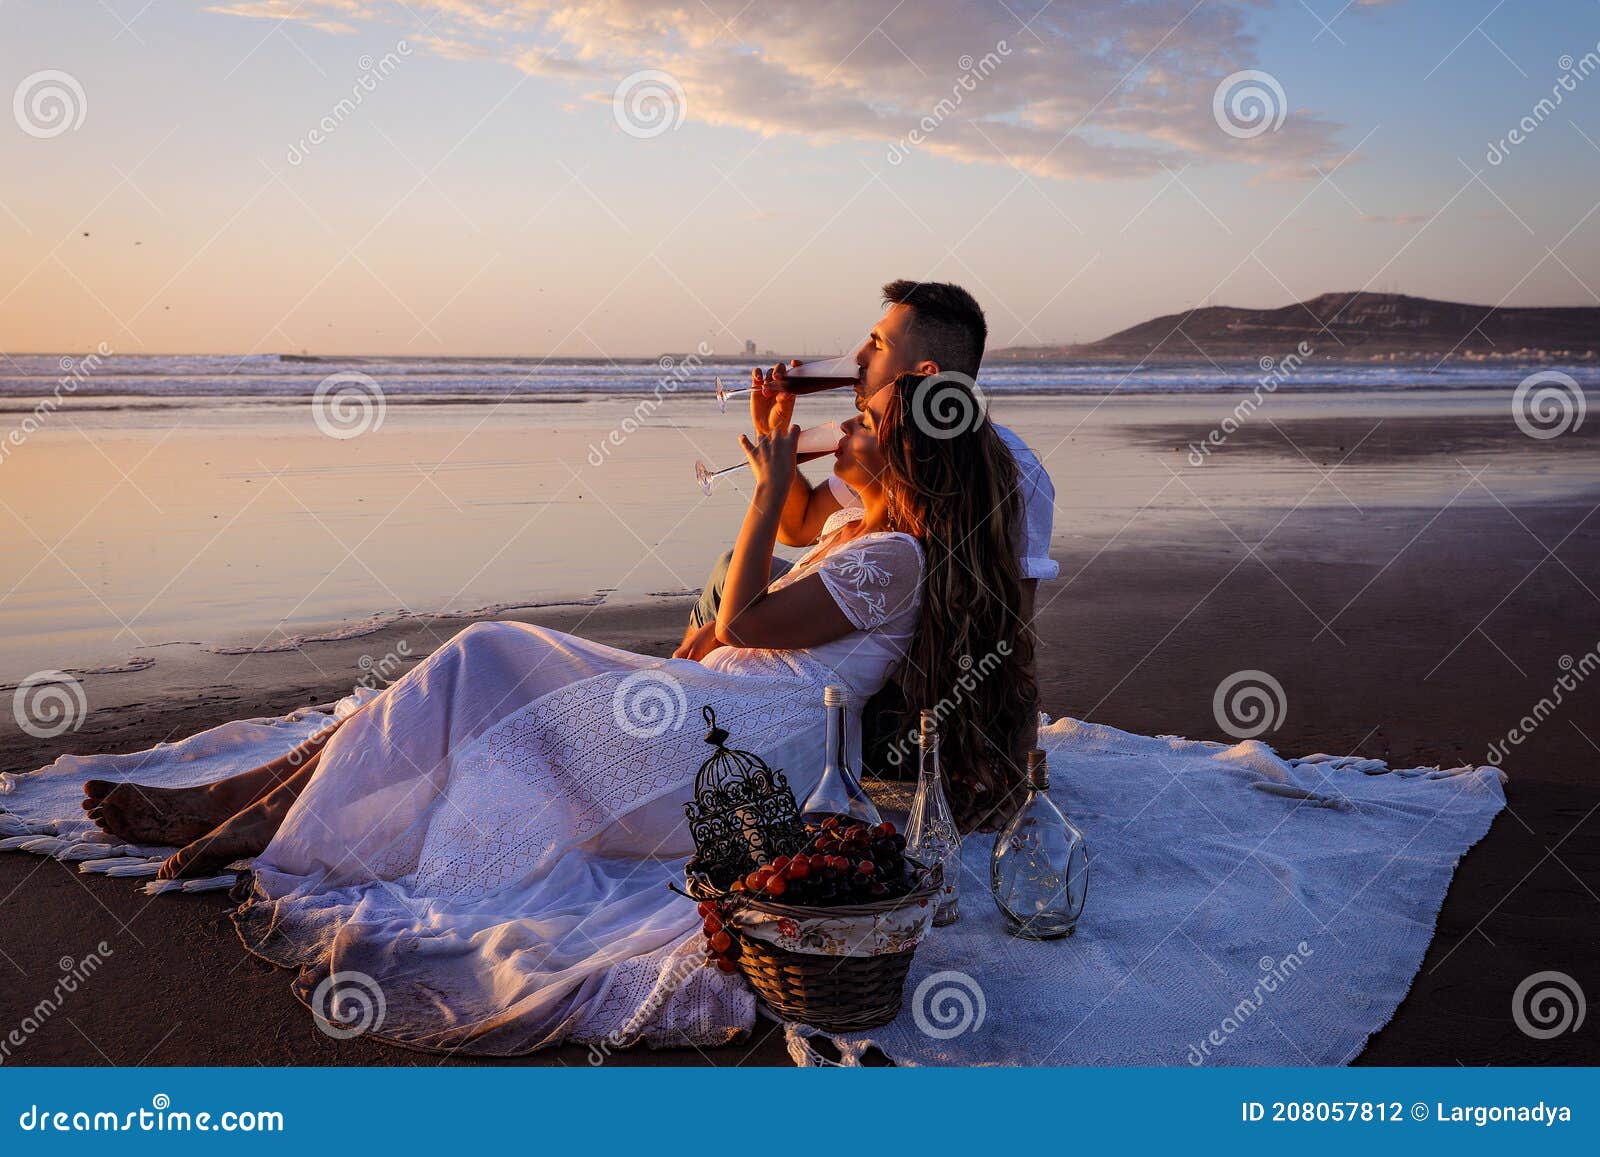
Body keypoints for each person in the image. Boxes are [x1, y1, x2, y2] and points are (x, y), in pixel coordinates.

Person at [78, 373, 1033, 1056]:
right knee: (463, 695)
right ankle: (250, 802)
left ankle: (249, 809)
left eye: (861, 421)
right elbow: (787, 563)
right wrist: (770, 448)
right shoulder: (857, 529)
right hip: (725, 710)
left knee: (488, 653)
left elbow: (746, 610)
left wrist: (764, 491)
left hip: (742, 746)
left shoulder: (899, 554)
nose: (844, 428)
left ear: (902, 449)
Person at [679, 280, 1057, 809]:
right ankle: (692, 702)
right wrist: (774, 434)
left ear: (924, 374)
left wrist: (1013, 775)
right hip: (853, 635)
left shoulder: (1002, 471)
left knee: (731, 608)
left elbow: (1012, 629)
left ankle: (690, 721)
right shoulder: (884, 454)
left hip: (897, 703)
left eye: (876, 346)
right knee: (729, 576)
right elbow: (801, 526)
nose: (854, 359)